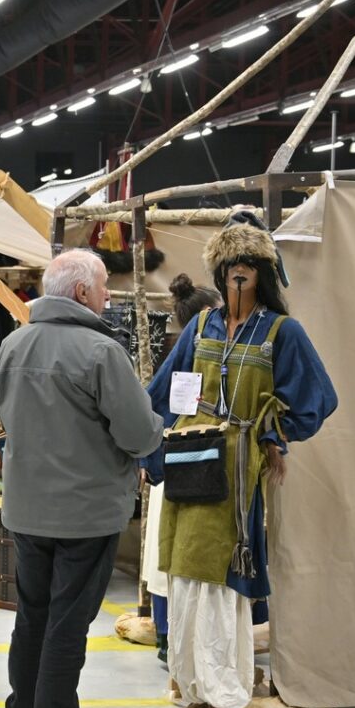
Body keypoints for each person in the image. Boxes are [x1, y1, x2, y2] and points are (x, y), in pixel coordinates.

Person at [145, 215, 336, 708]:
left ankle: (226, 706)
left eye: (248, 263)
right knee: (184, 578)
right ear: (219, 269)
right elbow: (165, 389)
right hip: (189, 459)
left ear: (263, 272)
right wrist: (148, 447)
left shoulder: (281, 332)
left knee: (220, 583)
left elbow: (319, 397)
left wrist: (272, 434)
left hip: (234, 473)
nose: (238, 271)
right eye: (230, 263)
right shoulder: (202, 326)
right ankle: (198, 693)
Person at [0, 250, 164, 708]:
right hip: (84, 512)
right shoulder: (101, 352)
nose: (109, 294)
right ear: (82, 292)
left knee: (33, 612)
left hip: (26, 507)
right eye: (104, 285)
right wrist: (156, 428)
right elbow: (138, 433)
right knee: (68, 621)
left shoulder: (14, 343)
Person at [145, 273, 224, 665]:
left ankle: (170, 636)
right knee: (178, 554)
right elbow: (156, 399)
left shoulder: (192, 347)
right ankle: (172, 637)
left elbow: (153, 400)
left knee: (172, 554)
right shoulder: (198, 342)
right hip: (188, 457)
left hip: (178, 454)